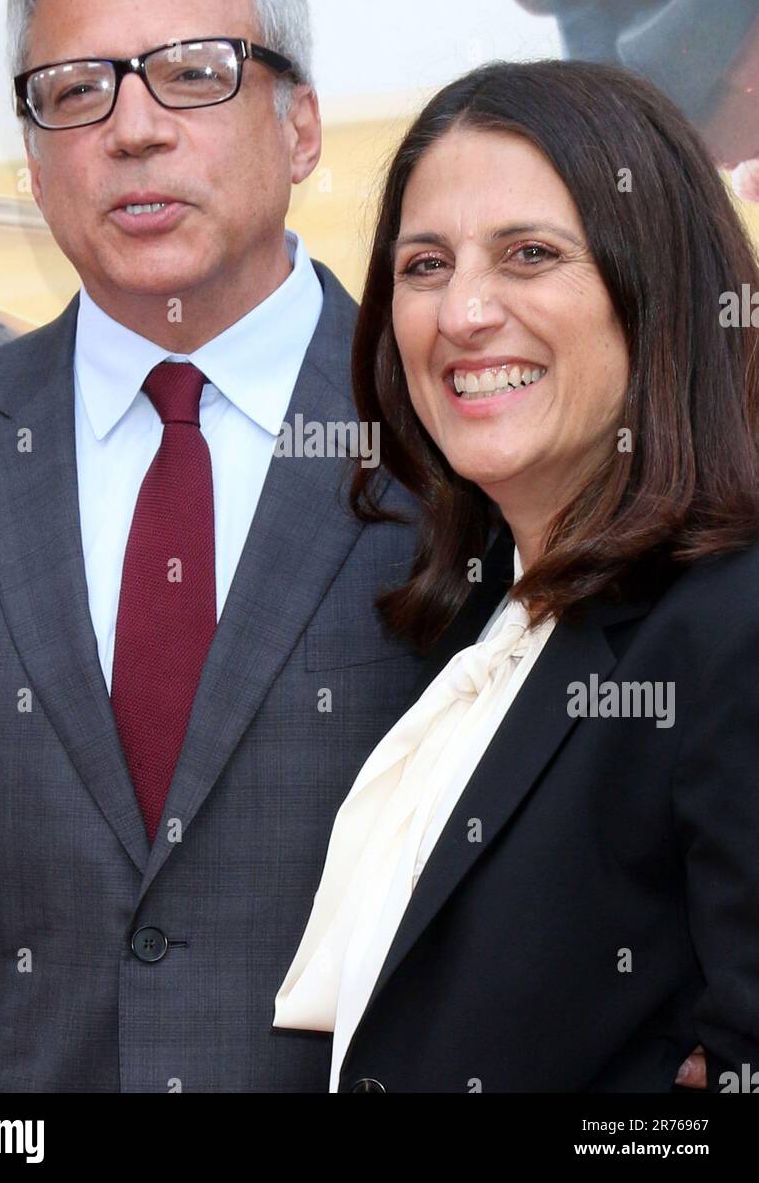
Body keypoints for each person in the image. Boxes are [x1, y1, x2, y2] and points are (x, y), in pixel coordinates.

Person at [0, 0, 430, 1093]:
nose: (133, 129)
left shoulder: (458, 447)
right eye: (76, 93)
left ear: (300, 127)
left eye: (194, 73)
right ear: (33, 165)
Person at [274, 58, 759, 1092]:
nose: (462, 314)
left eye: (528, 254)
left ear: (658, 286)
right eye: (422, 266)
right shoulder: (481, 631)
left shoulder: (732, 625)